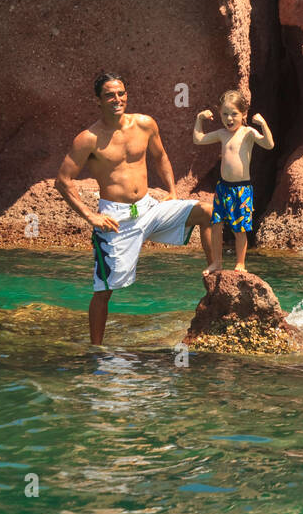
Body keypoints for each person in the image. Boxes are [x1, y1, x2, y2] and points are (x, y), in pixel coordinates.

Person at [54, 72, 214, 345]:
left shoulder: (145, 124)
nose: (117, 99)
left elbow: (160, 156)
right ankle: (96, 350)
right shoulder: (89, 138)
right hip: (115, 219)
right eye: (109, 95)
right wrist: (91, 216)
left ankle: (216, 277)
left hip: (149, 208)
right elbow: (62, 181)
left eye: (121, 93)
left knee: (209, 212)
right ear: (98, 100)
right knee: (103, 291)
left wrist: (173, 192)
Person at [193, 89, 274, 273]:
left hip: (241, 189)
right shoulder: (222, 134)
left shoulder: (248, 133)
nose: (229, 118)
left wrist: (263, 124)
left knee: (240, 229)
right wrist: (199, 119)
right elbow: (198, 139)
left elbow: (269, 144)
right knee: (216, 225)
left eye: (234, 114)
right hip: (223, 187)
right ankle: (217, 263)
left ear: (244, 114)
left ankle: (240, 263)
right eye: (225, 114)